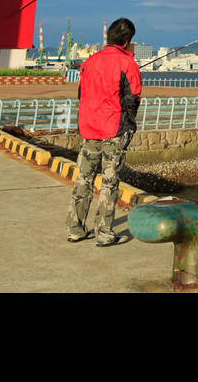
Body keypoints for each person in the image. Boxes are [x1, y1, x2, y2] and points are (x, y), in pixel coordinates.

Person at [66, 17, 141, 247]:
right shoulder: (128, 63)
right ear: (127, 41)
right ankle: (104, 233)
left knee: (83, 179)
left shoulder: (90, 62)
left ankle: (75, 229)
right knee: (109, 182)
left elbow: (82, 94)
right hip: (113, 130)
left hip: (89, 128)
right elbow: (133, 99)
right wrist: (128, 126)